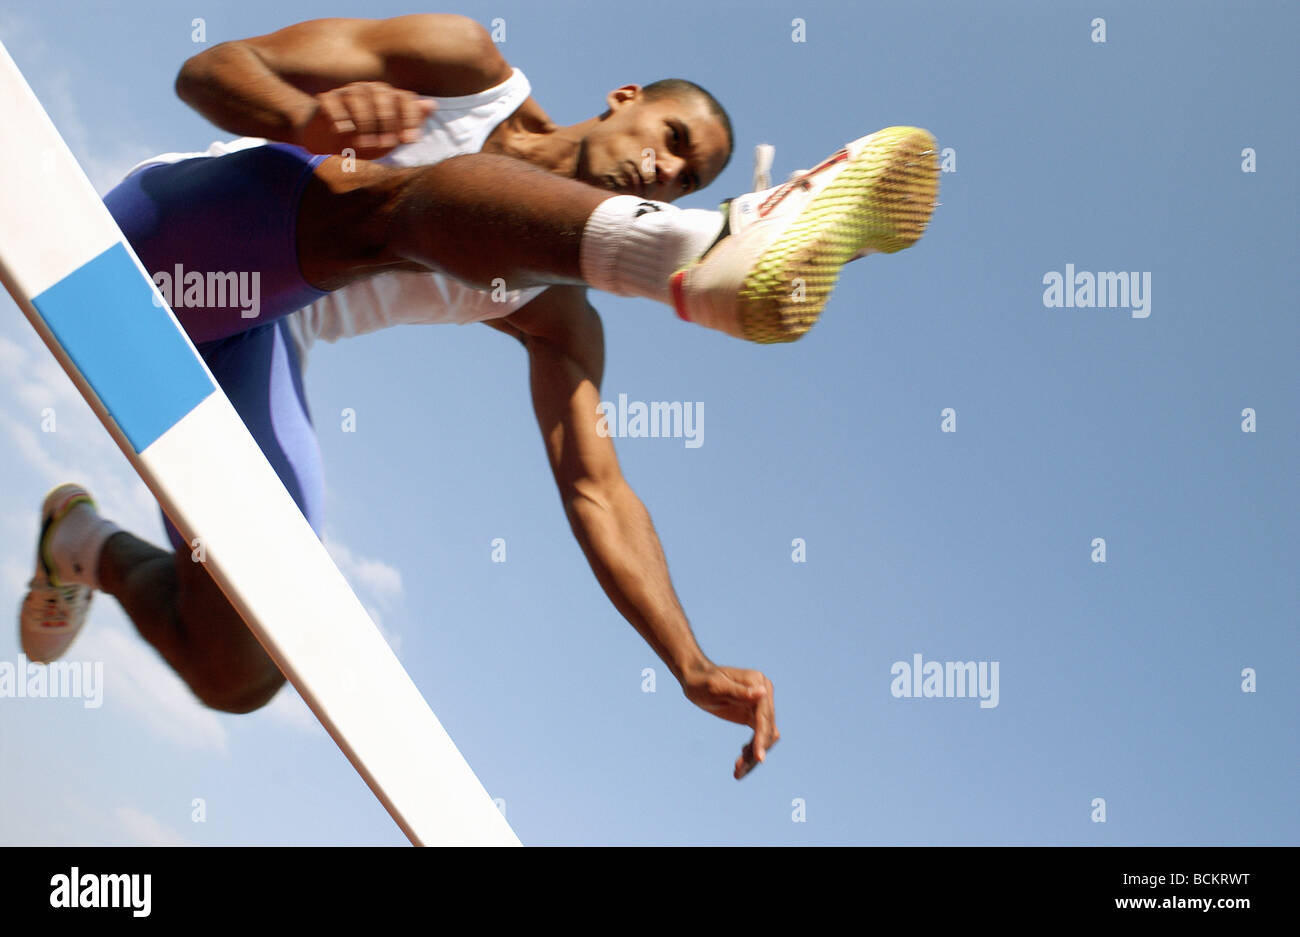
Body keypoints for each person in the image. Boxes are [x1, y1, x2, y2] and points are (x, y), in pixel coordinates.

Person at [18, 14, 938, 779]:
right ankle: (699, 253)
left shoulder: (560, 314)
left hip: (252, 345)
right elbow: (210, 69)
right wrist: (305, 116)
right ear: (626, 98)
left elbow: (598, 488)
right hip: (168, 248)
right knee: (410, 203)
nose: (666, 170)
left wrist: (689, 662)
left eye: (690, 182)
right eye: (672, 143)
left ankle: (80, 541)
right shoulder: (464, 66)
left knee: (246, 661)